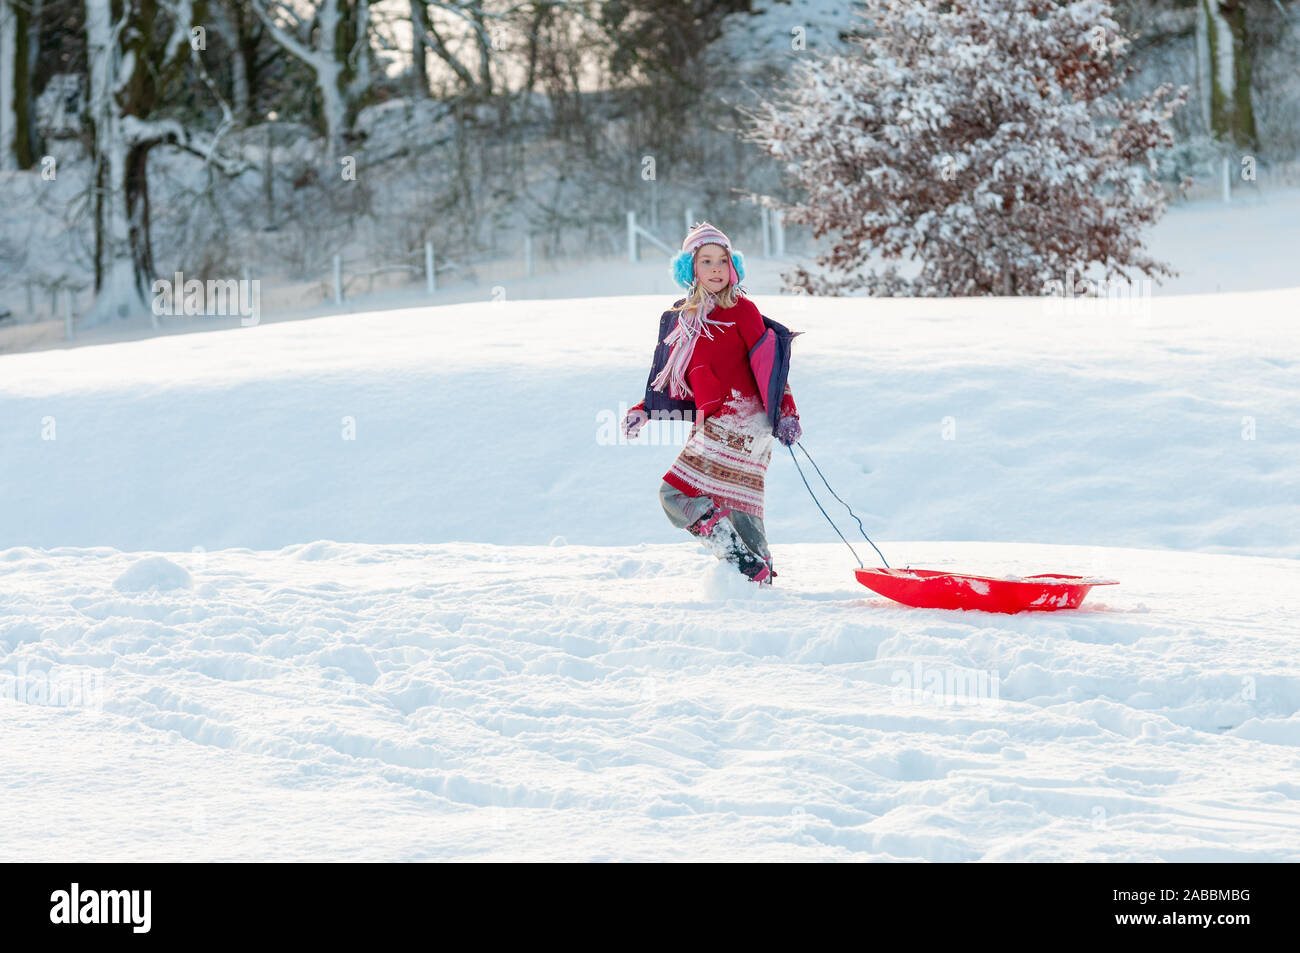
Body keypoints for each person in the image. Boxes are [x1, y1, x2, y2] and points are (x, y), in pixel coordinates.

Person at [622, 222, 802, 586]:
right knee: (737, 505)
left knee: (675, 493)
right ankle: (758, 578)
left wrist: (787, 412)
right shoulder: (684, 319)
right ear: (691, 268)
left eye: (723, 260)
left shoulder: (743, 310)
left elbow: (771, 366)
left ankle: (742, 563)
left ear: (733, 266)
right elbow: (675, 377)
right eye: (707, 261)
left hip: (743, 418)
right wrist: (645, 408)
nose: (716, 269)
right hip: (713, 419)